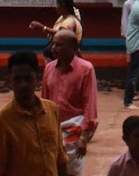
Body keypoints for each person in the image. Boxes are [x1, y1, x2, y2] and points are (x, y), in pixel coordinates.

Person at [40, 29, 99, 163]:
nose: (54, 48)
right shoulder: (48, 68)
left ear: (73, 47)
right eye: (53, 44)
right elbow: (44, 101)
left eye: (59, 45)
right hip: (52, 128)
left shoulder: (86, 69)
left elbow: (89, 104)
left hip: (74, 128)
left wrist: (84, 137)